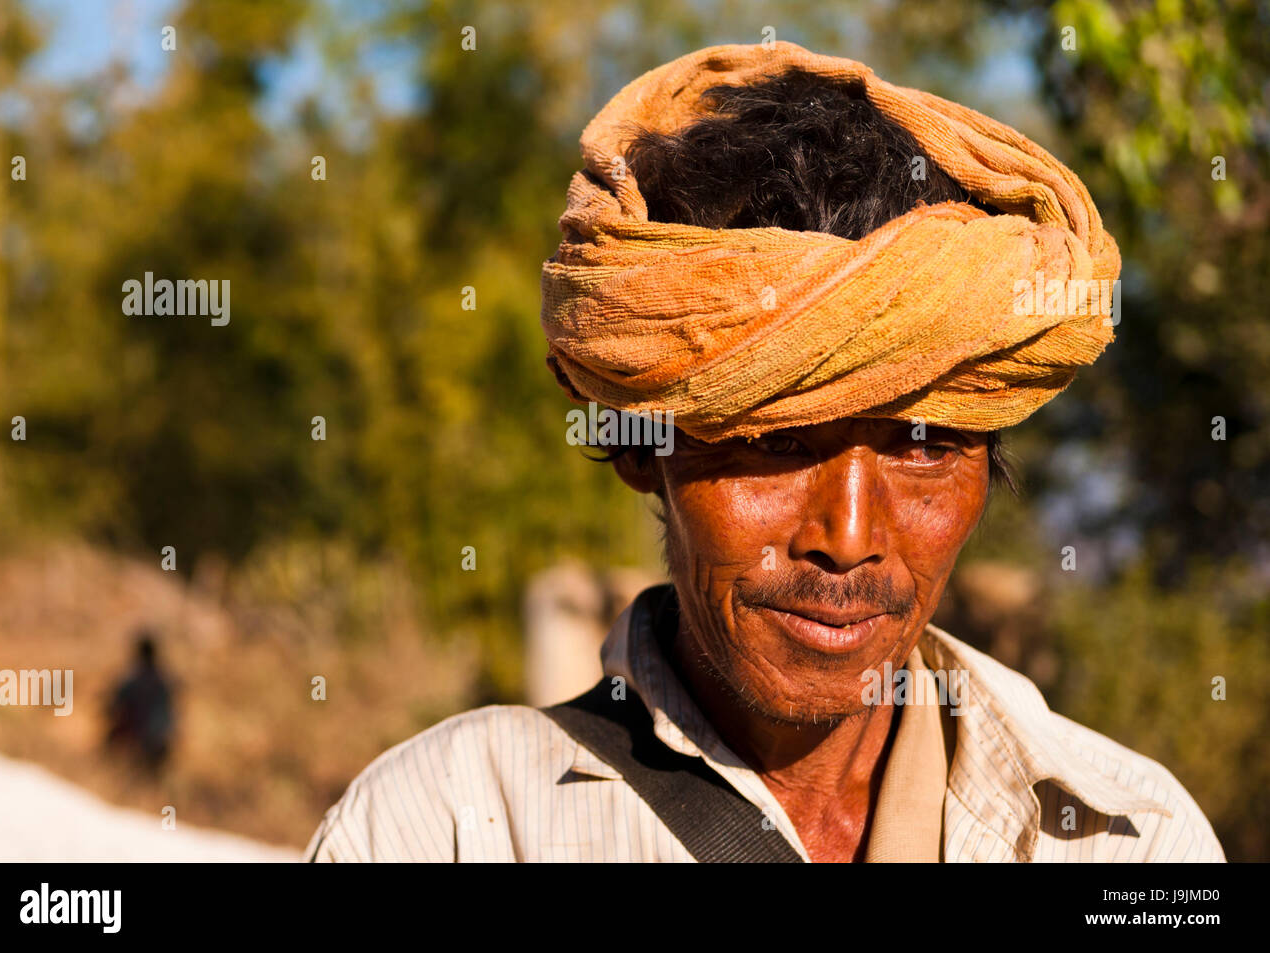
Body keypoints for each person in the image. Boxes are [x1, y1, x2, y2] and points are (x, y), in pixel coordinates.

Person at [305, 43, 1223, 862]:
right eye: (778, 440)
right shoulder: (447, 828)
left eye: (925, 448)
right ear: (641, 442)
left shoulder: (1126, 842)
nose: (851, 536)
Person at [105, 629, 174, 773]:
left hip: (142, 738)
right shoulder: (164, 679)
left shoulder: (137, 678)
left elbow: (118, 701)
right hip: (159, 740)